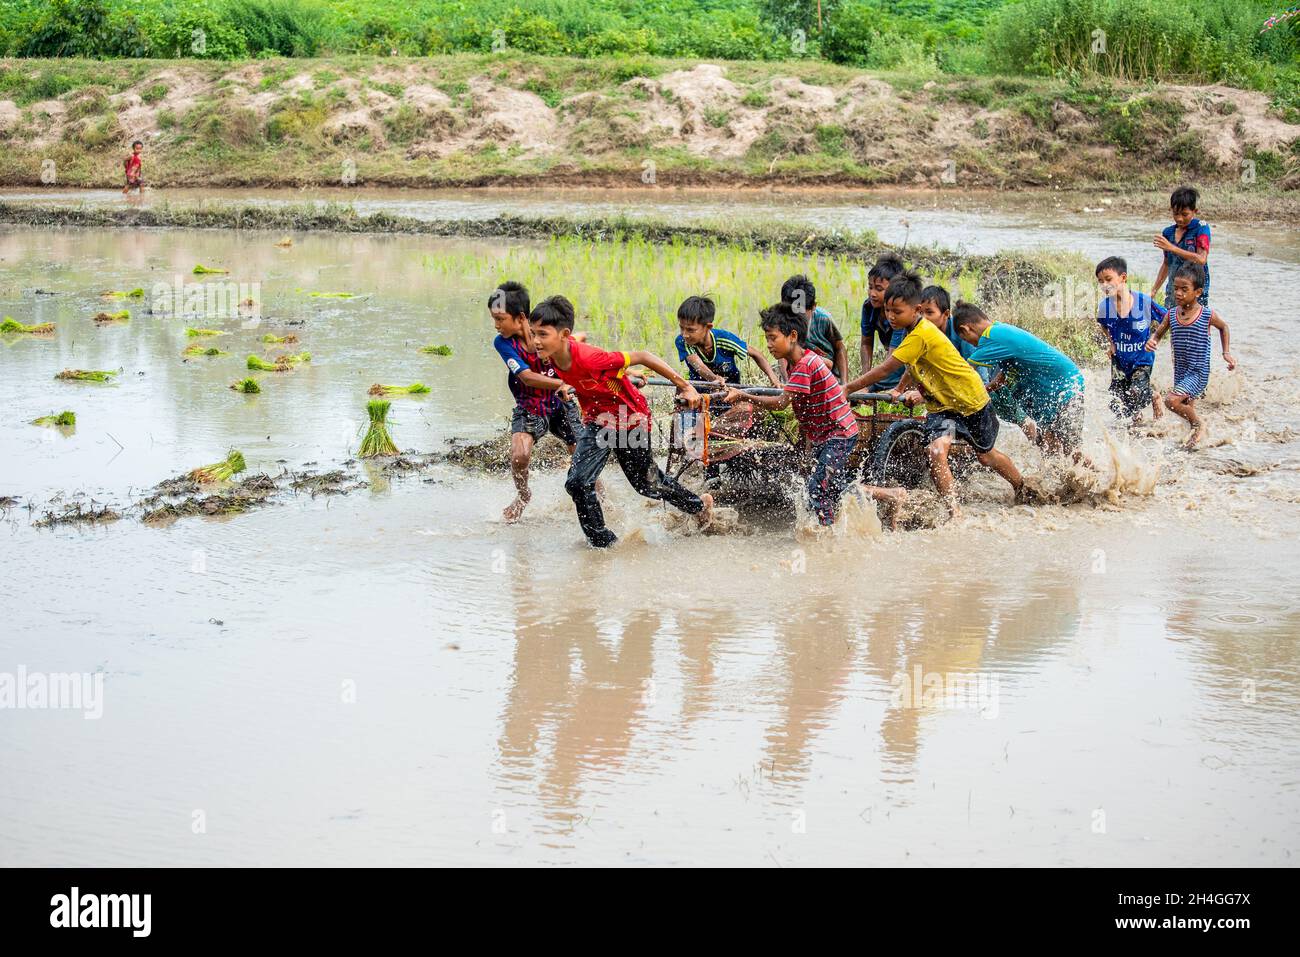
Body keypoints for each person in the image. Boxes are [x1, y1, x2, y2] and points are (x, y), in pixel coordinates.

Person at [530, 295, 713, 547]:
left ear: (562, 334)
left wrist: (686, 387)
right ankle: (604, 544)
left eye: (542, 334)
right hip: (598, 420)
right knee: (577, 483)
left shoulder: (589, 358)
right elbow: (582, 344)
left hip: (629, 419)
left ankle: (699, 506)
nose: (535, 341)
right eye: (533, 334)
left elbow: (644, 355)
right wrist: (569, 382)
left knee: (647, 484)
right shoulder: (554, 352)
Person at [843, 271, 1028, 518]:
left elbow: (887, 366)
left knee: (986, 456)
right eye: (888, 311)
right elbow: (912, 363)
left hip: (971, 401)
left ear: (916, 309)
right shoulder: (911, 333)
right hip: (943, 407)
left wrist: (848, 388)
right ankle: (955, 512)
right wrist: (899, 388)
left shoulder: (922, 332)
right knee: (936, 451)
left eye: (897, 312)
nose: (890, 317)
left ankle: (1022, 488)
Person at [721, 302, 906, 527]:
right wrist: (809, 442)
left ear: (792, 336)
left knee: (818, 488)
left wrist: (743, 396)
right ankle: (893, 495)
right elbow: (805, 406)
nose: (769, 345)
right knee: (834, 485)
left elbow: (781, 403)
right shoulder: (796, 363)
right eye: (767, 339)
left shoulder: (804, 365)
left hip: (839, 434)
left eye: (772, 337)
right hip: (825, 434)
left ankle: (825, 535)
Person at [490, 281, 581, 522]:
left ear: (520, 317)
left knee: (581, 453)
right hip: (530, 405)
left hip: (561, 403)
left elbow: (576, 339)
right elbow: (526, 377)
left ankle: (598, 496)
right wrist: (560, 383)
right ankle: (523, 495)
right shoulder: (503, 343)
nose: (496, 325)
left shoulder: (544, 330)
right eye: (494, 319)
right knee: (519, 456)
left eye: (500, 319)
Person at [953, 303, 1088, 460]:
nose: (972, 345)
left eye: (967, 341)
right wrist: (986, 389)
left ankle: (1110, 480)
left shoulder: (990, 337)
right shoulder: (999, 331)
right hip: (1057, 389)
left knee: (1072, 451)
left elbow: (963, 372)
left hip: (1066, 388)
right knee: (1049, 448)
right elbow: (1004, 375)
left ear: (966, 329)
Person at [919, 283, 1032, 436]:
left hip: (990, 380)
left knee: (1016, 416)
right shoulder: (929, 335)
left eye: (929, 313)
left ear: (945, 314)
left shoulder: (961, 332)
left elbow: (978, 374)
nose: (924, 318)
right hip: (968, 382)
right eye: (920, 313)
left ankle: (1031, 435)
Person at [1146, 263, 1235, 449]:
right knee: (1186, 405)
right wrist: (1153, 340)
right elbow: (1159, 332)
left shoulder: (1206, 314)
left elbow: (1224, 327)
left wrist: (1226, 353)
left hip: (1198, 371)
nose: (1178, 293)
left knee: (1171, 400)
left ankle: (1199, 424)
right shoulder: (1171, 315)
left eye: (1184, 289)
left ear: (1198, 292)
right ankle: (1193, 442)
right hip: (1181, 370)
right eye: (1175, 288)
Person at [1094, 255, 1166, 423]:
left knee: (1136, 392)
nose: (1104, 285)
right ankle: (1137, 422)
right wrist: (1111, 343)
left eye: (1108, 279)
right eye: (1100, 281)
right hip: (1119, 360)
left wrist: (1155, 338)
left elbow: (1168, 318)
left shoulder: (1144, 302)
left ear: (1123, 278)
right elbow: (1103, 325)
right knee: (1117, 403)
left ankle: (1154, 396)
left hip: (1142, 359)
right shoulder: (1105, 307)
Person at [674, 294, 780, 387]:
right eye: (681, 328)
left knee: (745, 408)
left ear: (708, 327)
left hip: (731, 389)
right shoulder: (682, 341)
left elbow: (757, 354)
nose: (684, 334)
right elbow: (698, 365)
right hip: (699, 390)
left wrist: (773, 379)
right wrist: (714, 379)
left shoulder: (725, 339)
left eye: (690, 330)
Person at [781, 275, 847, 382]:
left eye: (800, 314)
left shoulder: (824, 319)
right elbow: (782, 354)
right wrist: (787, 382)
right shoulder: (783, 322)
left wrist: (844, 384)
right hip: (797, 374)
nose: (795, 318)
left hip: (825, 373)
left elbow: (839, 348)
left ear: (813, 307)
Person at [1152, 185, 1210, 307]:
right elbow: (1167, 264)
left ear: (1195, 211)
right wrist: (1154, 290)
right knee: (1172, 318)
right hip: (1174, 286)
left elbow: (1201, 259)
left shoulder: (1201, 228)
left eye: (1185, 214)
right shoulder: (1168, 233)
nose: (1179, 218)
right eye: (1176, 213)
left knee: (1196, 320)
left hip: (1194, 288)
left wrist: (1172, 248)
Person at [860, 253, 906, 390]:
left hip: (904, 362)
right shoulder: (869, 307)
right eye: (870, 287)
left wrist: (867, 385)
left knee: (876, 386)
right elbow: (866, 343)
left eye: (879, 289)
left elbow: (893, 358)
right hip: (892, 362)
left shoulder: (901, 312)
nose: (872, 293)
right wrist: (865, 378)